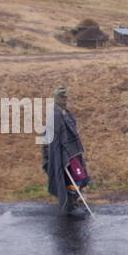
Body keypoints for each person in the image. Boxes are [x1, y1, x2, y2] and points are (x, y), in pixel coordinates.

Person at [41, 84, 88, 216]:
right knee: (71, 178)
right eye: (62, 97)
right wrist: (52, 154)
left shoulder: (65, 113)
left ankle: (73, 200)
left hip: (71, 152)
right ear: (57, 98)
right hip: (61, 154)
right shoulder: (55, 115)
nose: (65, 99)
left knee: (78, 176)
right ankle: (69, 206)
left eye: (65, 97)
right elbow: (49, 138)